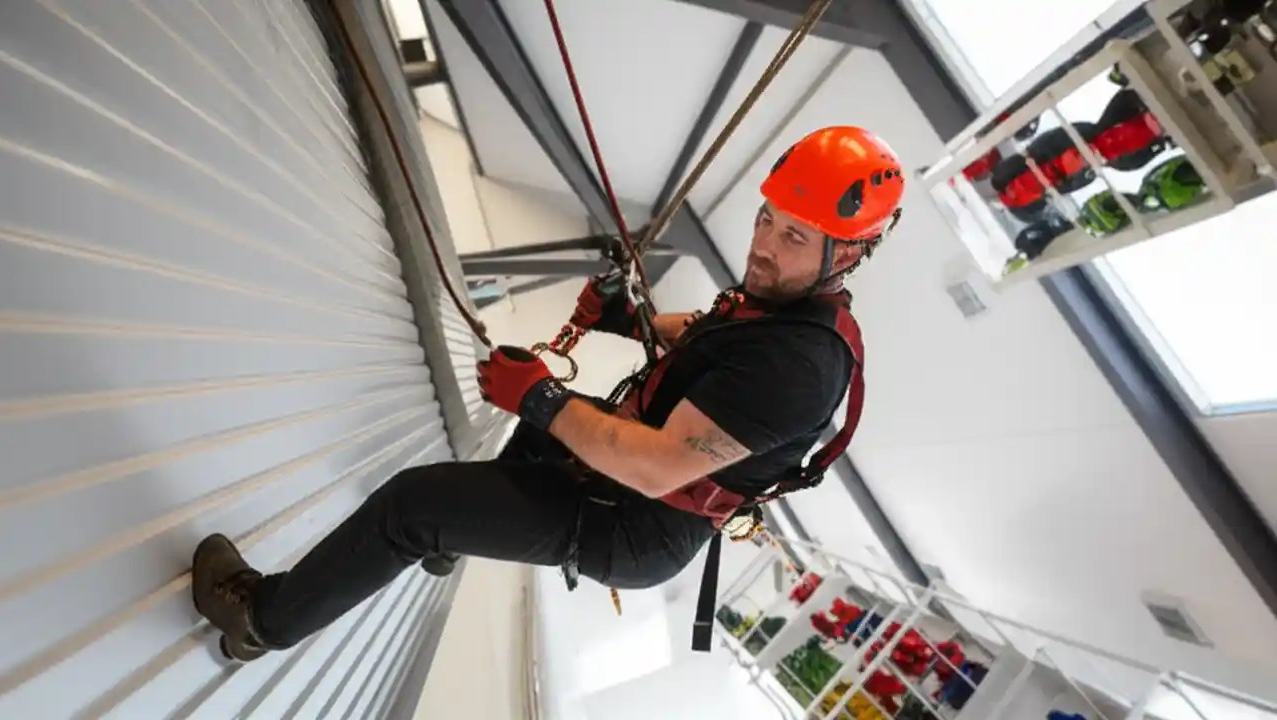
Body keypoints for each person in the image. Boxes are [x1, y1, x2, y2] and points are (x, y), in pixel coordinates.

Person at [191, 126, 906, 661]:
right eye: (765, 220)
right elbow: (702, 336)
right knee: (539, 437)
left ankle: (262, 623)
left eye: (792, 236)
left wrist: (537, 395)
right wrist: (625, 318)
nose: (763, 246)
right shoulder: (775, 303)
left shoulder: (803, 365)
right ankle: (455, 535)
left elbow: (654, 467)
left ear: (844, 253)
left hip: (637, 523)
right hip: (623, 482)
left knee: (414, 506)